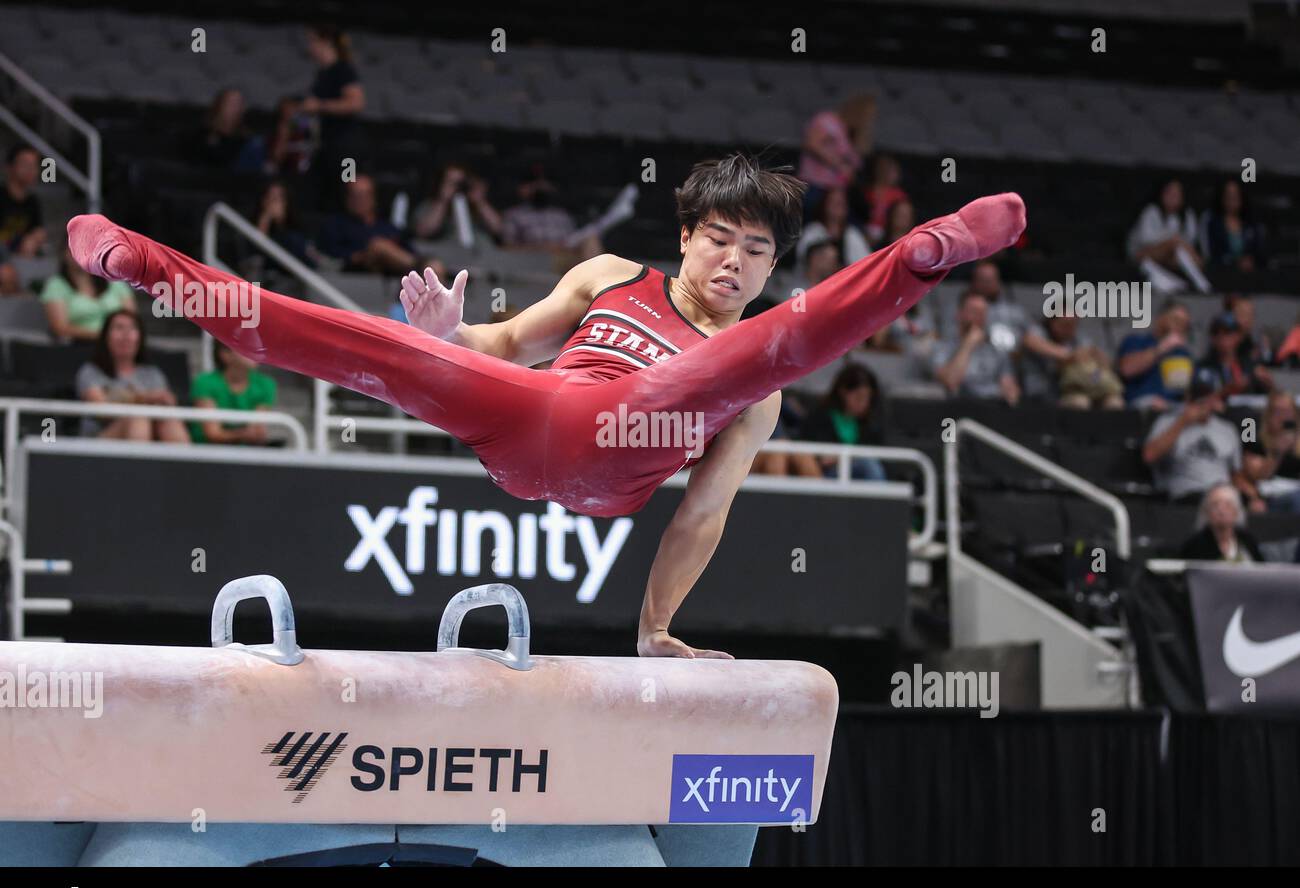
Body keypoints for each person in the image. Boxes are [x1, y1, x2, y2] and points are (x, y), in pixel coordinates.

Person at [68, 153, 1027, 658]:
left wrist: (651, 627)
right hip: (525, 419)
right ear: (686, 236)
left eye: (760, 253)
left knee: (770, 354)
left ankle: (921, 256)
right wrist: (444, 334)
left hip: (623, 452)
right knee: (344, 339)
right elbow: (499, 347)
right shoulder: (608, 274)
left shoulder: (748, 389)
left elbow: (702, 513)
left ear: (776, 263)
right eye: (722, 240)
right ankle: (149, 267)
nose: (737, 263)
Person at [74, 310, 188, 443]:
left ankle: (186, 463)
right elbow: (102, 411)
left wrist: (167, 400)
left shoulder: (152, 373)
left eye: (132, 329)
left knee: (169, 420)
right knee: (138, 418)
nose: (126, 335)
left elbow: (166, 405)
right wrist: (144, 398)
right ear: (105, 336)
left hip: (152, 434)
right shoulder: (91, 371)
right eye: (119, 328)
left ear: (140, 338)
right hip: (99, 442)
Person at [1141, 368, 1241, 504]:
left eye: (1207, 397)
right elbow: (1149, 456)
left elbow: (1236, 474)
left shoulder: (1228, 429)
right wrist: (1183, 421)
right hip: (1185, 497)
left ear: (1215, 398)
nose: (1202, 402)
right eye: (1198, 397)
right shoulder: (1168, 421)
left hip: (1221, 497)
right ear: (1188, 397)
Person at [299, 24, 364, 203]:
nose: (309, 47)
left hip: (347, 149)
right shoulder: (323, 73)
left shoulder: (342, 69)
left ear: (325, 42)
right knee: (322, 192)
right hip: (328, 145)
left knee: (347, 186)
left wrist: (319, 105)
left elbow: (356, 103)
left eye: (312, 41)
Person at [789, 363, 885, 481]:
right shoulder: (820, 417)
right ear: (843, 391)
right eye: (859, 397)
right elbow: (818, 457)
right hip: (825, 473)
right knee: (869, 467)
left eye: (867, 398)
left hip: (854, 474)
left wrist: (843, 457)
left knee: (870, 465)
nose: (863, 403)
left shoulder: (870, 424)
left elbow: (876, 452)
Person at [930, 291, 1020, 404]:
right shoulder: (942, 347)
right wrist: (968, 344)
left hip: (991, 408)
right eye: (974, 312)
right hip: (956, 410)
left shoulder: (996, 349)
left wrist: (1010, 391)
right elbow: (950, 382)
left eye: (983, 312)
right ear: (959, 314)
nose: (979, 317)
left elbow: (1009, 385)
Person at [1020, 310, 1122, 408]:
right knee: (1079, 403)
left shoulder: (1078, 338)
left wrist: (1096, 375)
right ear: (1052, 321)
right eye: (1065, 323)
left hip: (1073, 389)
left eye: (1073, 324)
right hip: (1042, 391)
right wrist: (1069, 355)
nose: (1069, 328)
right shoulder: (1040, 331)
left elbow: (1098, 367)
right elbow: (1029, 341)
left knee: (1114, 402)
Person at [1126, 178, 1210, 293]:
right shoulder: (1151, 211)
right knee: (1173, 246)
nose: (1172, 197)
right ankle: (1195, 281)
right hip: (1142, 253)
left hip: (1172, 255)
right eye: (1169, 193)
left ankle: (1196, 281)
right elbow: (1146, 240)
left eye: (1176, 194)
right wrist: (1172, 242)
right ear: (1162, 194)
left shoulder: (1186, 216)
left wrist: (1181, 247)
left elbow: (1188, 243)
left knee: (1188, 254)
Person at [319, 175, 417, 275]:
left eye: (365, 195)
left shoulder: (386, 226)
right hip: (357, 272)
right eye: (355, 195)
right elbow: (333, 255)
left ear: (374, 198)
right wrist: (365, 254)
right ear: (347, 198)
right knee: (379, 246)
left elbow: (408, 250)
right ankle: (421, 269)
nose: (360, 200)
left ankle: (421, 269)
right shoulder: (336, 225)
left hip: (394, 272)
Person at [797, 94, 876, 217]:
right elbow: (812, 143)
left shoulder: (855, 136)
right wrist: (838, 164)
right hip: (815, 185)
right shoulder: (828, 121)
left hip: (838, 192)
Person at [189, 342, 278, 445]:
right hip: (206, 453)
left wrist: (240, 434)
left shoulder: (266, 384)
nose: (256, 351)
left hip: (247, 453)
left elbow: (257, 432)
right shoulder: (204, 382)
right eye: (247, 347)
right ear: (225, 354)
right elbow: (213, 434)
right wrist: (244, 434)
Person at [42, 248, 136, 342]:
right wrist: (102, 336)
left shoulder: (114, 281)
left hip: (119, 343)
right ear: (64, 254)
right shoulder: (56, 285)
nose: (79, 254)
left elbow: (131, 317)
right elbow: (60, 328)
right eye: (73, 249)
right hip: (79, 345)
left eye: (84, 248)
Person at [1115, 299, 1194, 410]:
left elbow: (1182, 390)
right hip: (1141, 404)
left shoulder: (1182, 353)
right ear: (1161, 318)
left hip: (1172, 407)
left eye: (1184, 323)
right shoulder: (1137, 341)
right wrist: (1162, 347)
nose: (1179, 326)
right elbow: (1127, 370)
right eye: (1176, 320)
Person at [412, 162, 503, 246]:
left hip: (482, 252)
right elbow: (423, 232)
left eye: (461, 182)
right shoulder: (429, 205)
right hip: (448, 252)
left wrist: (480, 202)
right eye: (451, 182)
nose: (457, 187)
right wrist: (443, 201)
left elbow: (500, 229)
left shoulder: (478, 206)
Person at [1239, 390, 1300, 514]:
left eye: (1288, 411)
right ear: (1268, 414)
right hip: (1268, 494)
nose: (1284, 416)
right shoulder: (1251, 429)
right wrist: (1277, 453)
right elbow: (1254, 474)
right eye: (1278, 412)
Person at [1179, 484, 1263, 563]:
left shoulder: (1247, 541)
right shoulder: (1194, 546)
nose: (1221, 510)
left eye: (1228, 505)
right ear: (1206, 511)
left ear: (1237, 511)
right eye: (1215, 505)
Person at [795, 187, 869, 273]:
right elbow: (802, 258)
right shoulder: (813, 230)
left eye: (840, 203)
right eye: (833, 202)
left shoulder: (851, 233)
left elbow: (866, 261)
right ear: (824, 205)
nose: (837, 206)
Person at [1195, 313, 1270, 397]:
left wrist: (1269, 384)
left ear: (1238, 336)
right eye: (1215, 332)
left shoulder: (1250, 366)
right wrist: (1226, 391)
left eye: (1227, 332)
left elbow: (1269, 398)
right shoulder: (1203, 368)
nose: (1221, 336)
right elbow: (1197, 403)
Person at [192, 88, 263, 173]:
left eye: (239, 104)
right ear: (220, 105)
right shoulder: (201, 133)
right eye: (231, 103)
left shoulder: (248, 140)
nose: (235, 108)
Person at [1202, 179, 1265, 272]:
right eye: (1228, 196)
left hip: (1250, 274)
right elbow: (1210, 254)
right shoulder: (1212, 222)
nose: (1232, 200)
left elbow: (1260, 251)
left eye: (1235, 196)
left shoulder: (1251, 223)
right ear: (1222, 198)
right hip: (1222, 273)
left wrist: (1251, 260)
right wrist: (1235, 263)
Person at [968, 259, 1026, 355]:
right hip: (973, 360)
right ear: (973, 282)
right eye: (982, 280)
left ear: (998, 281)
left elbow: (1029, 336)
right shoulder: (961, 309)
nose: (986, 285)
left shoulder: (1014, 310)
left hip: (1008, 361)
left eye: (990, 280)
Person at [0, 144, 45, 259]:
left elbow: (38, 230)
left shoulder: (32, 201)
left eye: (34, 165)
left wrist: (35, 238)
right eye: (25, 164)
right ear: (10, 167)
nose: (31, 170)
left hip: (19, 257)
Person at [860, 153, 908, 246]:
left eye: (891, 170)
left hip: (887, 231)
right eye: (883, 169)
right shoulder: (867, 191)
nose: (886, 173)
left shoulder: (899, 195)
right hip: (866, 230)